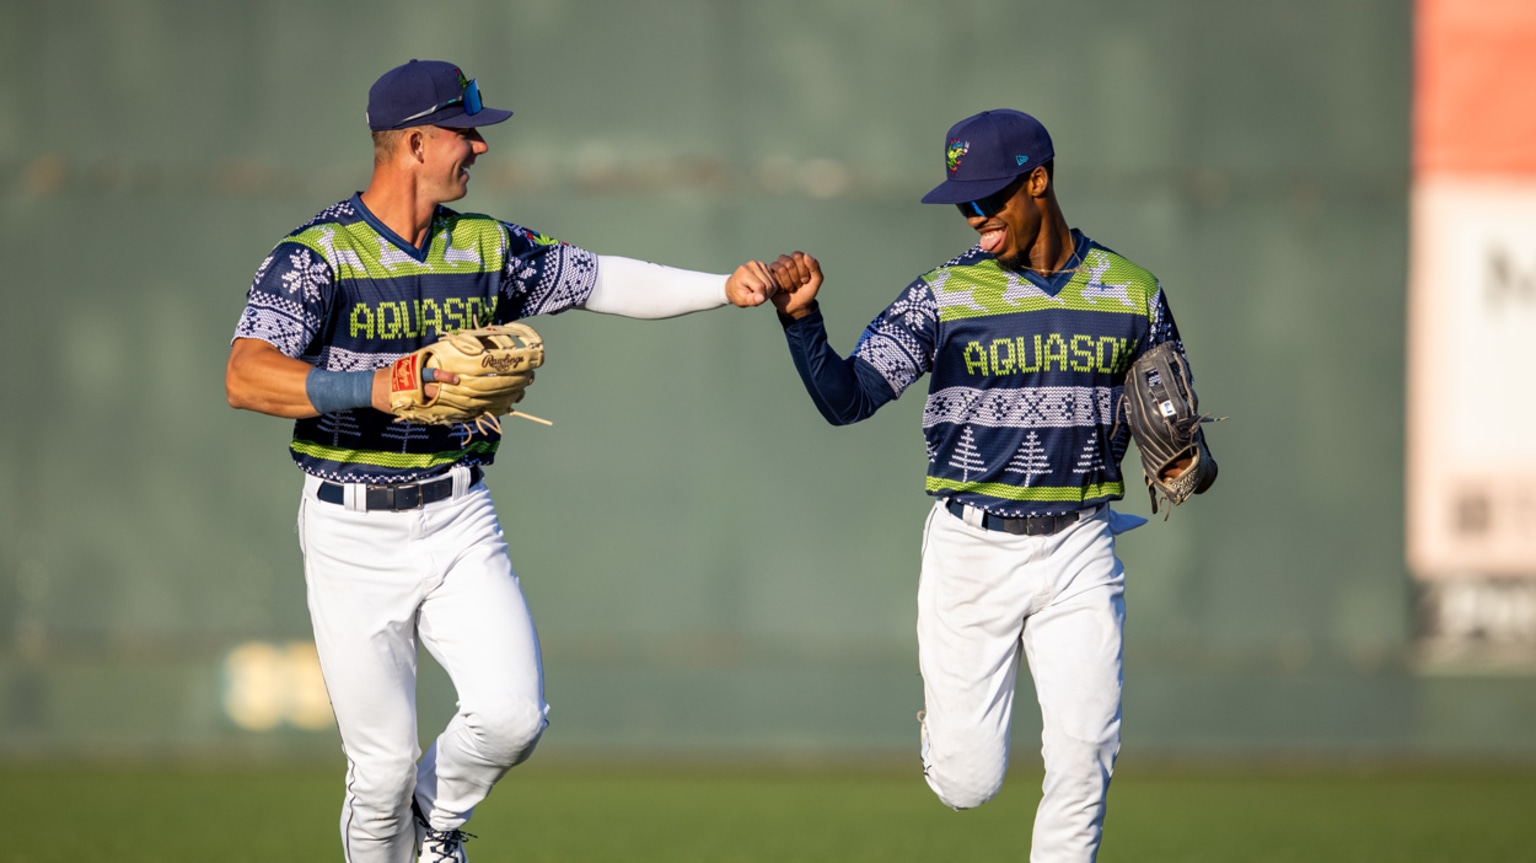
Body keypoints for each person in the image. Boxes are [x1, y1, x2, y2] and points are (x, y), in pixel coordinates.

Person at [225, 59, 781, 863]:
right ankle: (403, 825)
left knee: (513, 713)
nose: (479, 147)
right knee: (378, 770)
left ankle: (438, 826)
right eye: (464, 132)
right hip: (351, 525)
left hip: (456, 513)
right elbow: (246, 375)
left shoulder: (487, 245)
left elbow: (602, 279)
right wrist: (377, 385)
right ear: (416, 142)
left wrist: (723, 287)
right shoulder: (319, 256)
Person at [767, 109, 1195, 863]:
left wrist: (1188, 461)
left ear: (1039, 181)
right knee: (969, 781)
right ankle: (947, 729)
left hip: (1080, 543)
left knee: (1085, 748)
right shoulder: (944, 295)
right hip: (972, 545)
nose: (974, 216)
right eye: (963, 201)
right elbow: (849, 398)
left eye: (989, 197)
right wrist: (803, 323)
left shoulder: (1133, 294)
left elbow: (1181, 437)